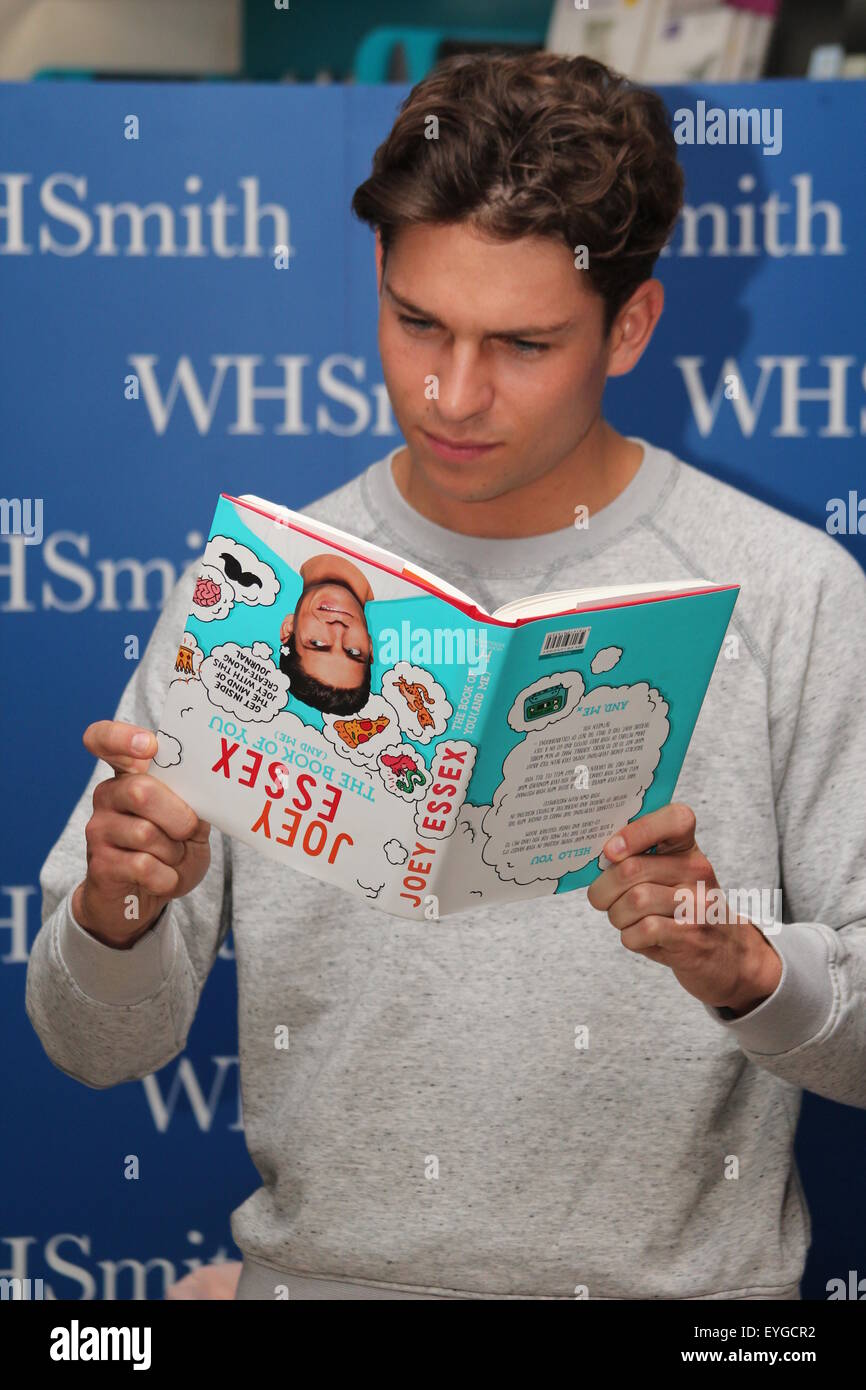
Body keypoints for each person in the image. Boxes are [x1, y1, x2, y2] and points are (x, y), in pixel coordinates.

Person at [27, 52, 866, 1301]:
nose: (450, 394)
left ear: (627, 325)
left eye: (521, 344)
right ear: (375, 275)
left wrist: (744, 968)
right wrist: (116, 909)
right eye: (418, 323)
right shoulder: (260, 592)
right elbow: (96, 1045)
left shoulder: (790, 595)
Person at [277, 553, 375, 714]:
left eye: (317, 643)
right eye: (353, 652)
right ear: (370, 647)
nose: (338, 629)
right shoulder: (418, 578)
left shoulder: (269, 535)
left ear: (289, 628)